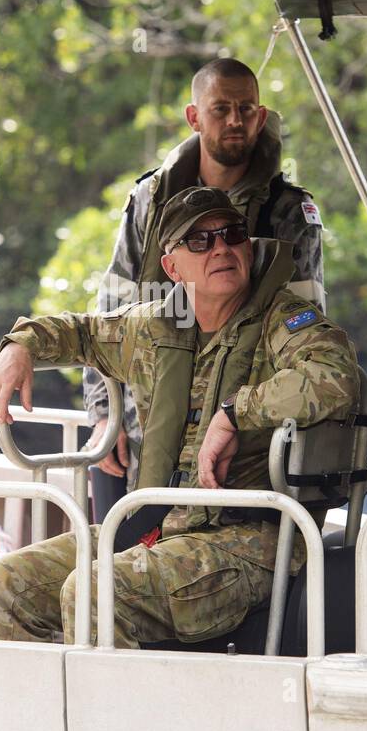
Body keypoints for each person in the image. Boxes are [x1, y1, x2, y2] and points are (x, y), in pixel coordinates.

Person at [0, 187, 357, 645]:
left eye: (231, 234)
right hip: (157, 530)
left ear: (248, 247)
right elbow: (77, 330)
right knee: (1, 584)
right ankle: (36, 715)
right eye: (199, 241)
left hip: (249, 541)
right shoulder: (151, 329)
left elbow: (335, 377)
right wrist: (20, 345)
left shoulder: (286, 322)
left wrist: (235, 413)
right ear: (172, 267)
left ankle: (115, 717)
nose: (220, 247)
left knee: (94, 590)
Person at [82, 59, 324, 519]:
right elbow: (109, 309)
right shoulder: (150, 200)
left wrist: (250, 414)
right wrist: (103, 412)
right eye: (221, 109)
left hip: (237, 428)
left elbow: (306, 327)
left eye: (245, 108)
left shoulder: (289, 212)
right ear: (194, 117)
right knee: (115, 563)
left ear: (261, 115)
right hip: (144, 418)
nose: (235, 120)